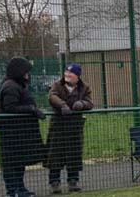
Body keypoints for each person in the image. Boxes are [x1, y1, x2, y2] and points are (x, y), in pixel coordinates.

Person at [0, 57, 46, 197]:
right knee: (12, 163)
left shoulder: (16, 85)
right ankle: (13, 190)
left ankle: (20, 188)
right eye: (26, 72)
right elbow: (10, 107)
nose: (28, 75)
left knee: (19, 162)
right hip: (12, 132)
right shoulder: (11, 86)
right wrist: (31, 109)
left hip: (19, 132)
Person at [45, 63, 94, 194]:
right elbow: (52, 96)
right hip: (58, 126)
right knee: (55, 154)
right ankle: (54, 182)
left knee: (74, 154)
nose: (67, 75)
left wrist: (82, 104)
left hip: (75, 127)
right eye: (66, 72)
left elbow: (90, 102)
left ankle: (73, 181)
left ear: (77, 76)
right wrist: (62, 105)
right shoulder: (57, 85)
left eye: (70, 73)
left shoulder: (84, 87)